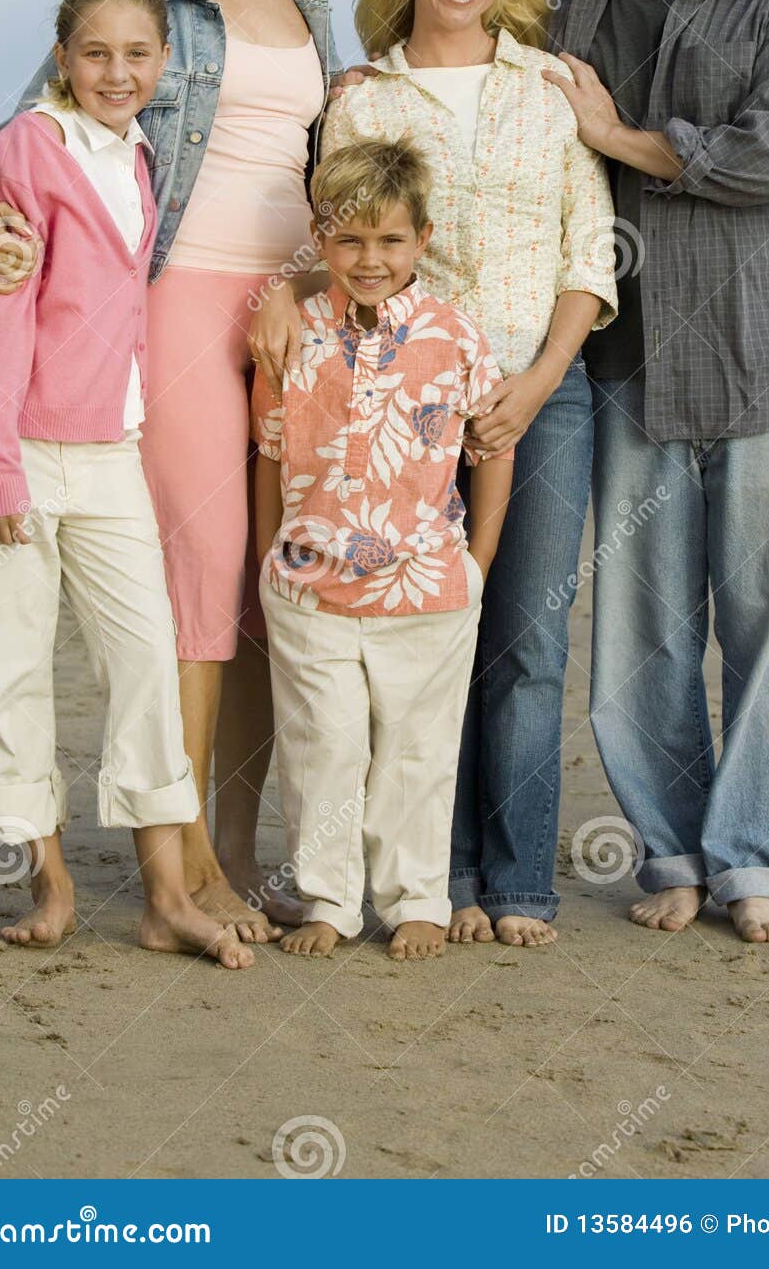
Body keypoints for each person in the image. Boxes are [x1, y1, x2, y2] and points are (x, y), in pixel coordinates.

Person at [0, 0, 344, 942]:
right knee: (201, 573)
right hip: (168, 301)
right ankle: (191, 868)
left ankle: (233, 841)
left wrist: (305, 287)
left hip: (284, 309)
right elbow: (8, 149)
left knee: (267, 582)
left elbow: (327, 168)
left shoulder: (313, 7)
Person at [543, 0, 769, 944]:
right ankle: (668, 850)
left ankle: (754, 860)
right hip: (630, 364)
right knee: (640, 632)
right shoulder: (575, 18)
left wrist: (617, 137)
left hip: (763, 354)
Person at [0, 0, 254, 970]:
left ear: (164, 63)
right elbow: (0, 313)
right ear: (63, 60)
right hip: (14, 446)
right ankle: (50, 878)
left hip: (107, 448)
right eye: (94, 53)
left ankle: (164, 894)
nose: (116, 71)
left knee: (145, 663)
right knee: (13, 659)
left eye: (135, 54)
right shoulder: (30, 147)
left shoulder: (142, 157)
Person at [323, 0, 618, 946]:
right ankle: (430, 877)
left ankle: (518, 883)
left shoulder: (550, 87)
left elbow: (589, 247)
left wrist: (536, 380)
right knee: (422, 641)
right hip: (405, 399)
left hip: (545, 392)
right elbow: (344, 246)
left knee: (526, 641)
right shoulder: (362, 98)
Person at [252, 139, 513, 960]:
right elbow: (269, 454)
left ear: (423, 241)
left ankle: (416, 900)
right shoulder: (291, 335)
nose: (370, 259)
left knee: (417, 752)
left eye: (390, 241)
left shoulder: (456, 335)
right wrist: (269, 561)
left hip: (427, 591)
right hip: (307, 591)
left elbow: (492, 448)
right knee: (321, 746)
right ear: (320, 237)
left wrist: (478, 566)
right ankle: (327, 898)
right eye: (351, 240)